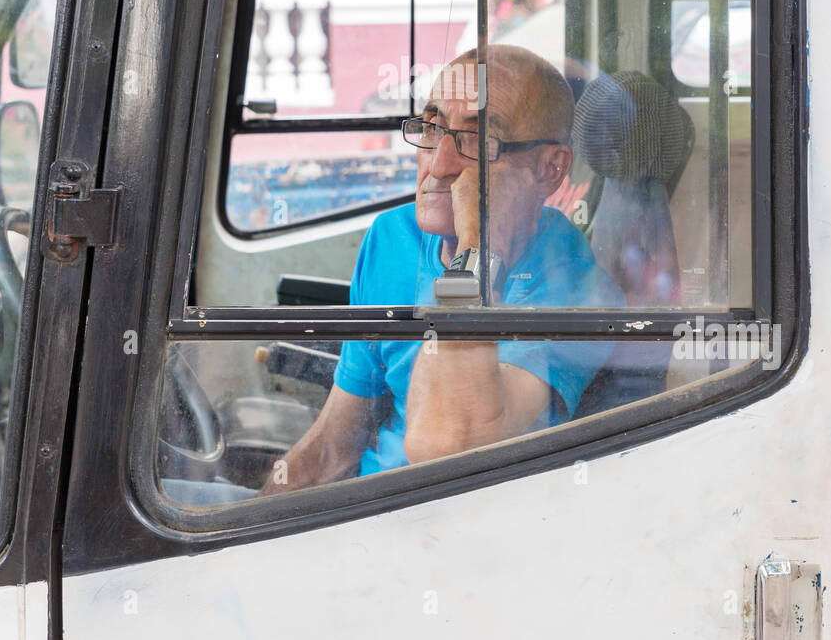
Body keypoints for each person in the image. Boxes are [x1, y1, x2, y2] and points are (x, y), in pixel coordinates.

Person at [260, 45, 622, 494]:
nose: (438, 164)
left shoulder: (572, 285)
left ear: (549, 169)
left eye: (478, 140)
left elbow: (443, 446)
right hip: (364, 511)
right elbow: (334, 448)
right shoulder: (392, 238)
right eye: (433, 128)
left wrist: (478, 246)